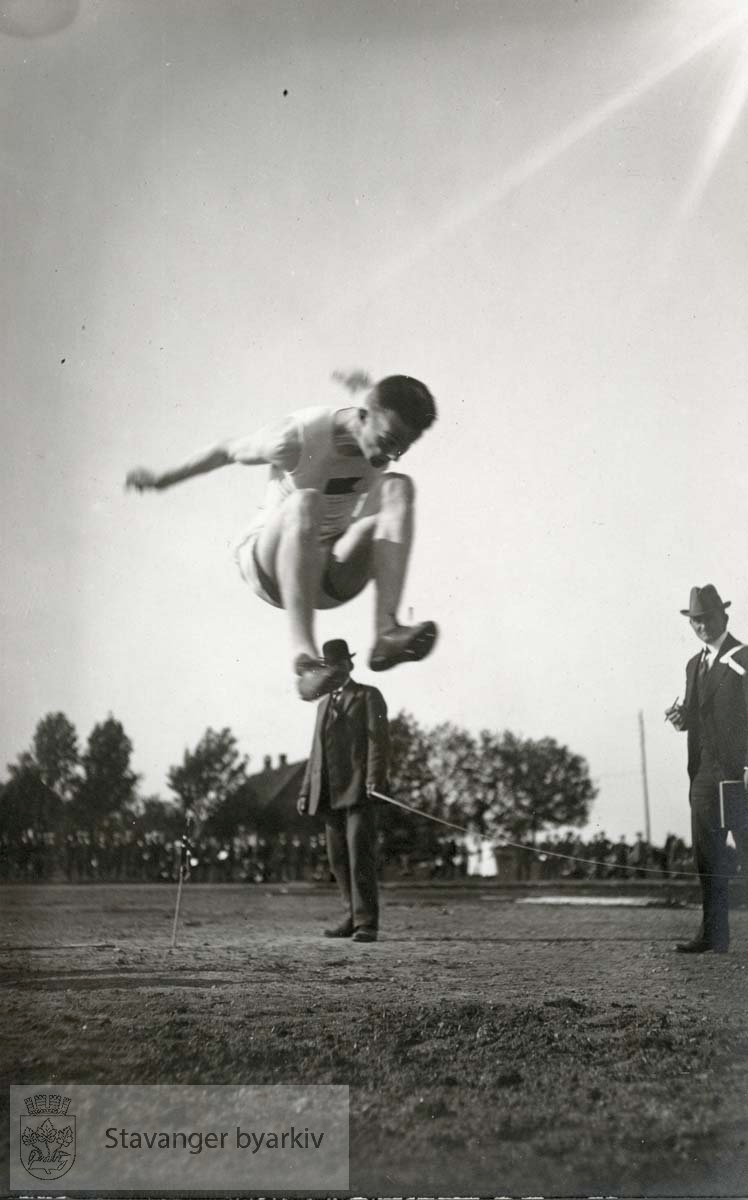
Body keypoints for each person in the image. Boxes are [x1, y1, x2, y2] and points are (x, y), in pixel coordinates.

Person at [126, 374, 438, 700]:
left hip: (329, 574)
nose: (390, 456)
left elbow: (371, 392)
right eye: (389, 441)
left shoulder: (377, 423)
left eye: (401, 448)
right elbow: (226, 450)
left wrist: (357, 379)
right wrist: (162, 480)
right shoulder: (295, 437)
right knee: (307, 501)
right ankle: (305, 663)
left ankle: (386, 632)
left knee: (398, 486)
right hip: (269, 565)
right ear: (366, 415)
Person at [665, 584, 748, 954]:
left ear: (724, 618)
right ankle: (714, 934)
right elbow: (695, 718)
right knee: (707, 854)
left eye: (707, 619)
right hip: (702, 773)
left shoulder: (743, 659)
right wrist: (681, 719)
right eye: (695, 621)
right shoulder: (693, 665)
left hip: (737, 772)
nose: (701, 627)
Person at [296, 639, 388, 943]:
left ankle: (366, 923)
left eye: (339, 663)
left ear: (349, 664)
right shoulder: (322, 704)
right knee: (337, 858)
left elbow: (378, 741)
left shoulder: (368, 696)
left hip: (359, 789)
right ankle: (350, 915)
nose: (335, 669)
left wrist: (374, 779)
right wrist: (305, 791)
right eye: (329, 665)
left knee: (358, 854)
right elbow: (315, 752)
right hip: (328, 793)